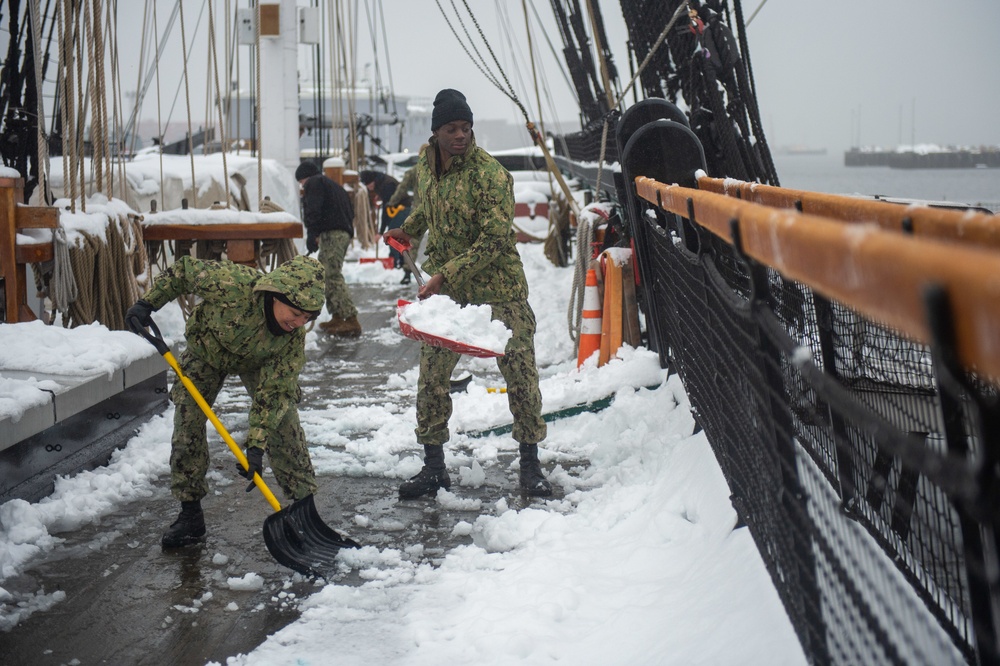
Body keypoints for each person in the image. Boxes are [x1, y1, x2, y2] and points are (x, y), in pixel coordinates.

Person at [384, 88, 553, 499]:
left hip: (499, 289)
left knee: (520, 376)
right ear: (436, 132)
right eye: (451, 128)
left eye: (466, 127)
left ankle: (530, 465)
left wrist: (444, 273)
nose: (460, 135)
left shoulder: (490, 175)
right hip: (450, 294)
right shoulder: (427, 165)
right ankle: (434, 466)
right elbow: (428, 205)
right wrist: (410, 228)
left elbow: (496, 240)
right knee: (431, 379)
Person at [125, 255, 326, 548]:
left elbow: (274, 393)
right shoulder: (232, 284)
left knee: (284, 421)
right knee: (188, 424)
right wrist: (149, 303)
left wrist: (256, 445)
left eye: (306, 318)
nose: (297, 323)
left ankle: (304, 510)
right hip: (207, 350)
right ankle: (190, 514)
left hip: (257, 362)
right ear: (275, 294)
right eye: (295, 312)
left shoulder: (290, 340)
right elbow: (184, 271)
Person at [295, 160, 361, 338]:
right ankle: (338, 316)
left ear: (304, 178)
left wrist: (311, 232)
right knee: (326, 274)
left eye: (301, 182)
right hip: (341, 232)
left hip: (333, 234)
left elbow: (313, 209)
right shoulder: (333, 185)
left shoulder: (314, 183)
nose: (302, 186)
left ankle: (350, 318)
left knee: (331, 274)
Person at [359, 170, 410, 272]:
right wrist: (380, 196)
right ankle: (398, 260)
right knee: (395, 235)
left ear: (372, 181)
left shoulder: (387, 185)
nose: (368, 188)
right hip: (396, 208)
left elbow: (386, 211)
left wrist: (381, 232)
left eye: (368, 184)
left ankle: (396, 263)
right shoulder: (381, 181)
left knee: (393, 234)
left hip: (402, 209)